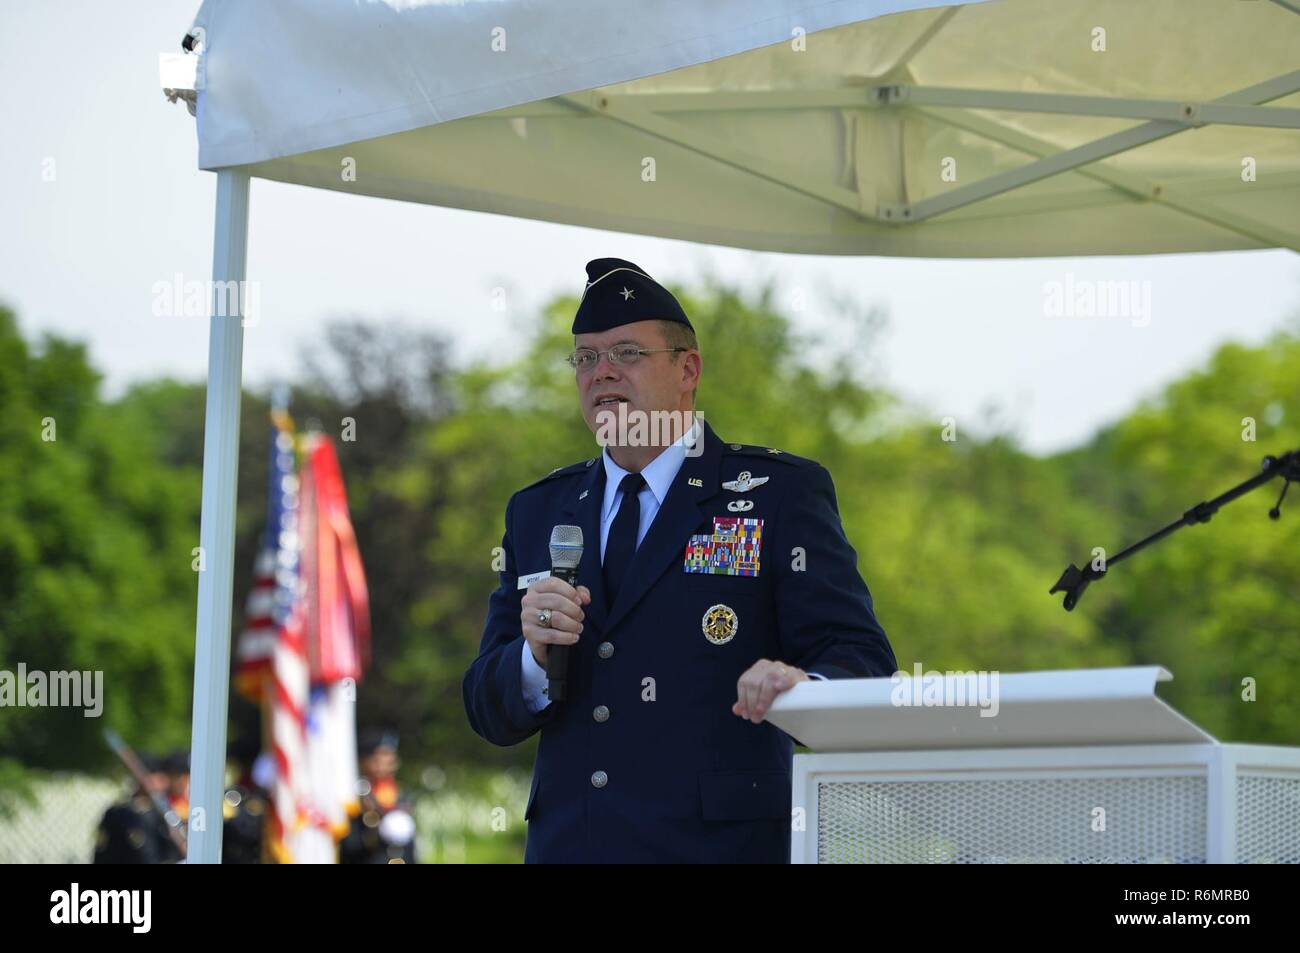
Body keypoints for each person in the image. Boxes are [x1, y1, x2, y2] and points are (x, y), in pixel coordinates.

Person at [463, 257, 897, 863]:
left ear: (686, 369)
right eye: (585, 358)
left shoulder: (778, 494)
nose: (601, 372)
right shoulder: (539, 510)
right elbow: (486, 707)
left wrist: (804, 690)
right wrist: (532, 659)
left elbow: (864, 661)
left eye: (626, 353)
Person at [339, 729, 417, 864]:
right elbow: (350, 844)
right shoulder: (356, 794)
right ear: (364, 761)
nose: (385, 764)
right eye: (378, 758)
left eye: (390, 757)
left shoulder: (400, 793)